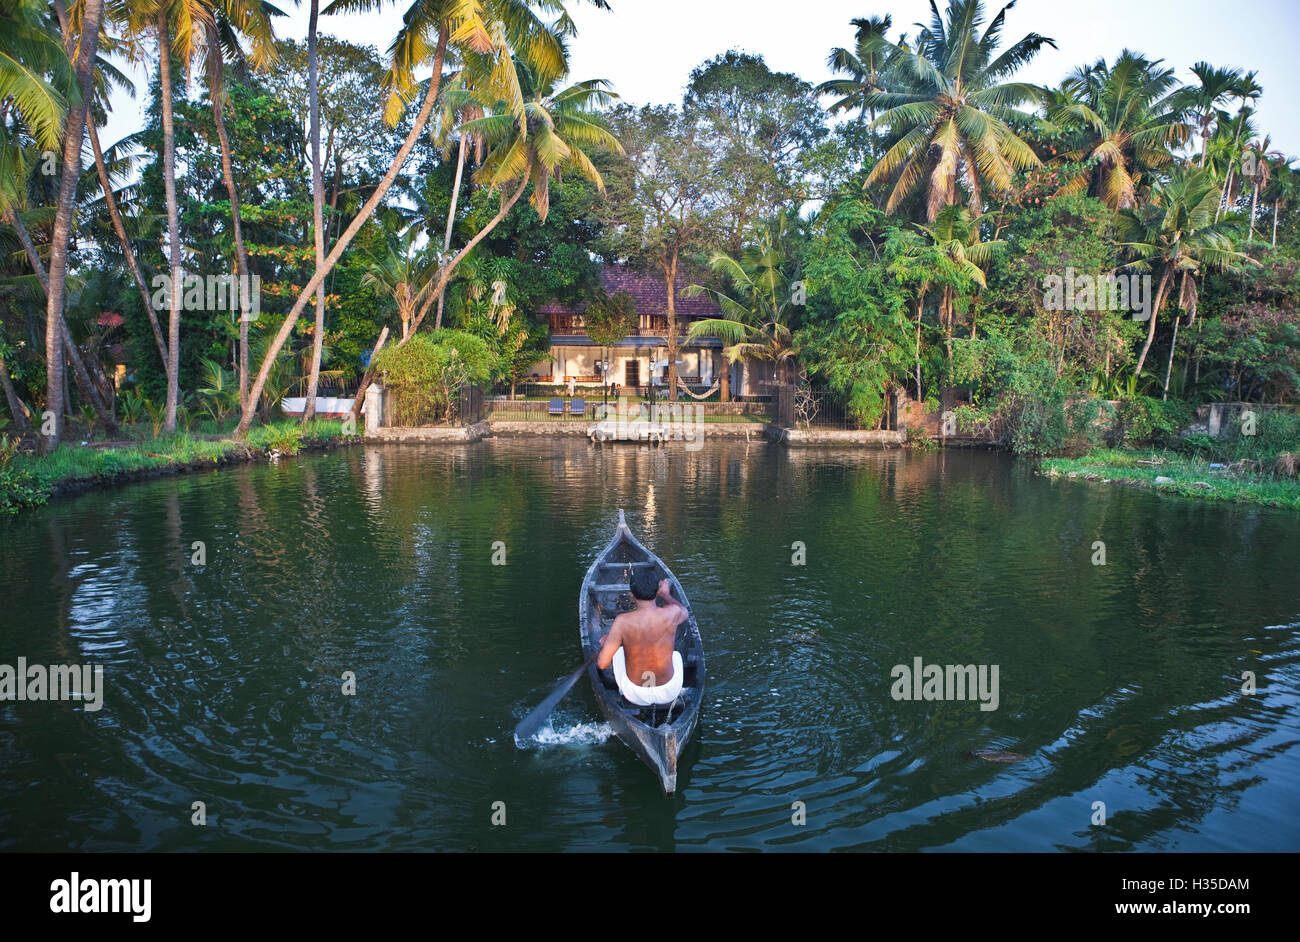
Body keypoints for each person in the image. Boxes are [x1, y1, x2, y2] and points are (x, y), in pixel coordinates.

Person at [596, 569, 687, 707]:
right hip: (669, 691)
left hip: (635, 694)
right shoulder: (673, 613)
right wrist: (666, 595)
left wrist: (609, 642)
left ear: (632, 594)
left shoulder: (622, 622)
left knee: (618, 652)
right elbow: (684, 612)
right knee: (676, 655)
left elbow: (602, 664)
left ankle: (623, 695)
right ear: (657, 591)